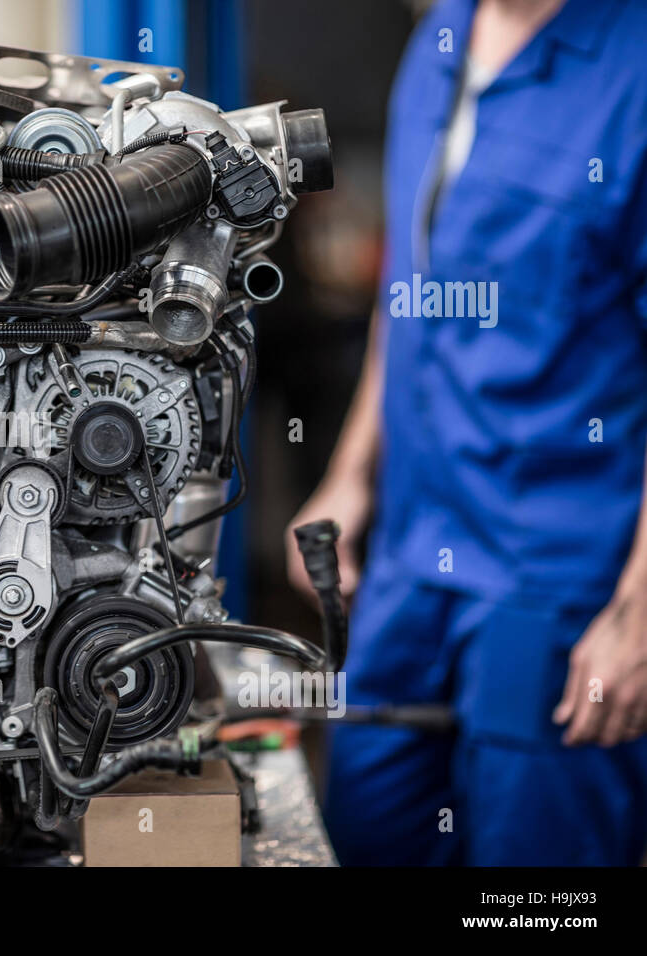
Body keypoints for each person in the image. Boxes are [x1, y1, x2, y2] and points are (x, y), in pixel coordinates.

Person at [287, 0, 647, 865]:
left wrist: (638, 613)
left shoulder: (631, 68)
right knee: (371, 832)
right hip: (415, 559)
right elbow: (407, 293)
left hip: (555, 580)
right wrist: (349, 477)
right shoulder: (440, 41)